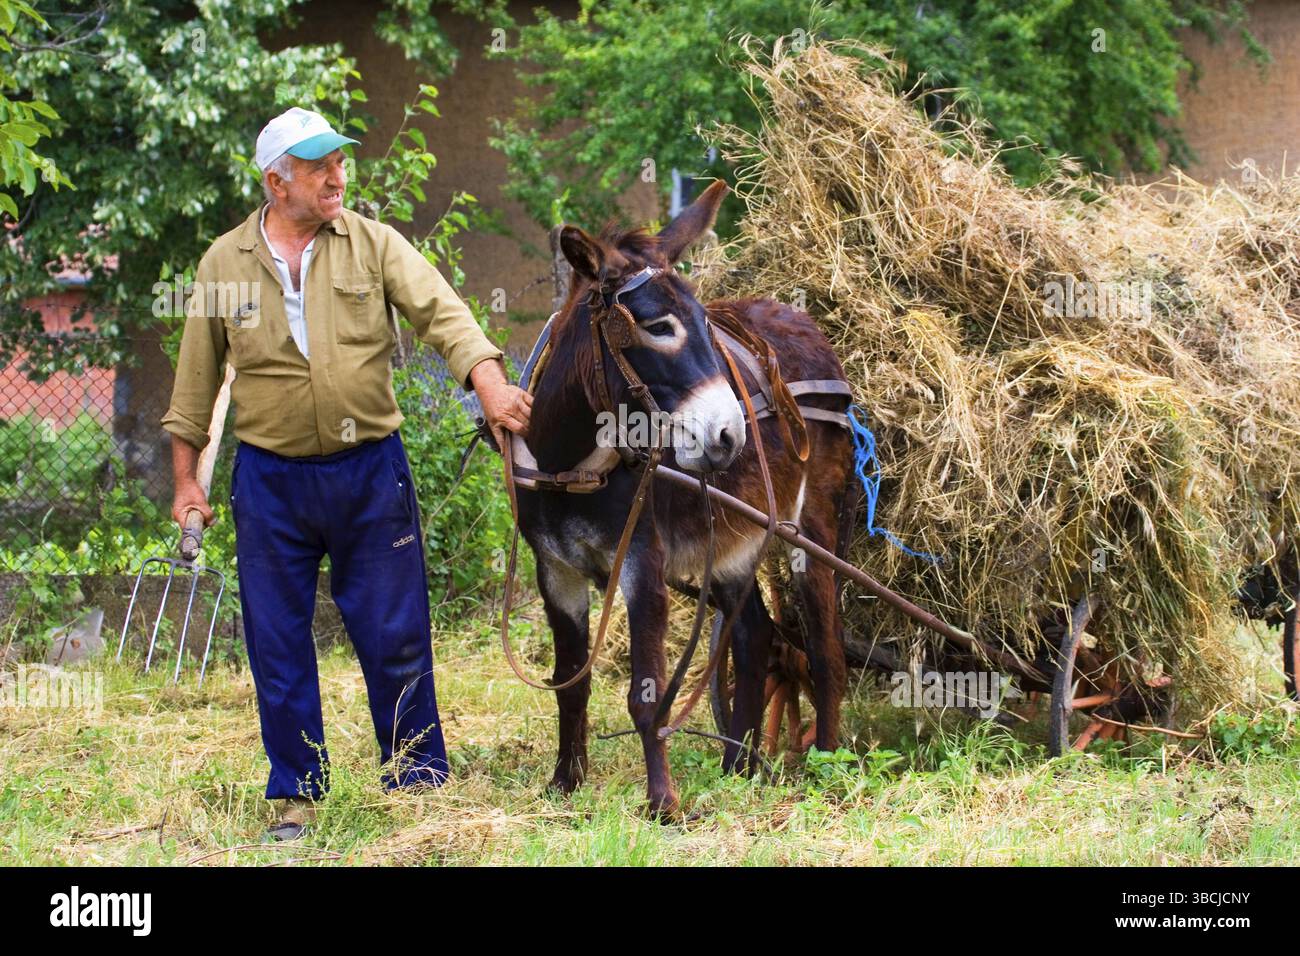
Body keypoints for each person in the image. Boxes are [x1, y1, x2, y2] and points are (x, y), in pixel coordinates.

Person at [160, 107, 531, 840]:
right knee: (277, 641)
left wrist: (486, 379)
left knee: (395, 631)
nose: (337, 176)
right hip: (270, 482)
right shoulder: (222, 266)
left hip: (370, 474)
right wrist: (185, 483)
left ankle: (417, 781)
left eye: (340, 161)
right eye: (319, 165)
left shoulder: (373, 244)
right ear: (277, 181)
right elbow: (193, 388)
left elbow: (444, 314)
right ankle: (297, 793)